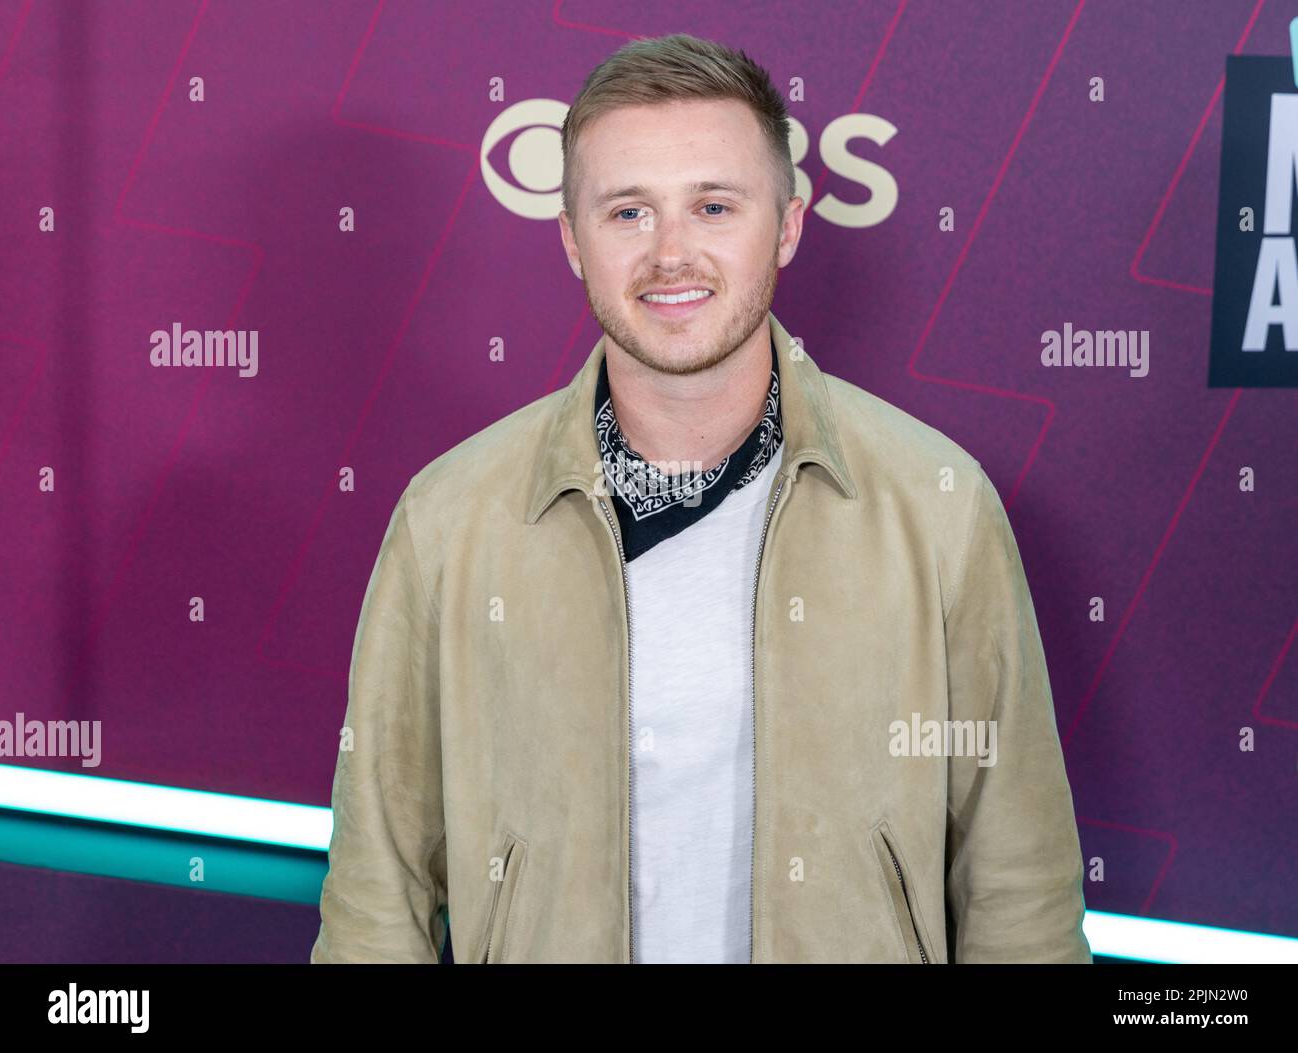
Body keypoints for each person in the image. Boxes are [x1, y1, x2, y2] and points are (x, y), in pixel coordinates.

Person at [309, 32, 1091, 964]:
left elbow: (1021, 889)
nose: (670, 254)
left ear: (789, 225)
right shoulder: (447, 521)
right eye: (628, 212)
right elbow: (375, 898)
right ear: (571, 241)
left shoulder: (939, 506)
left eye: (714, 205)